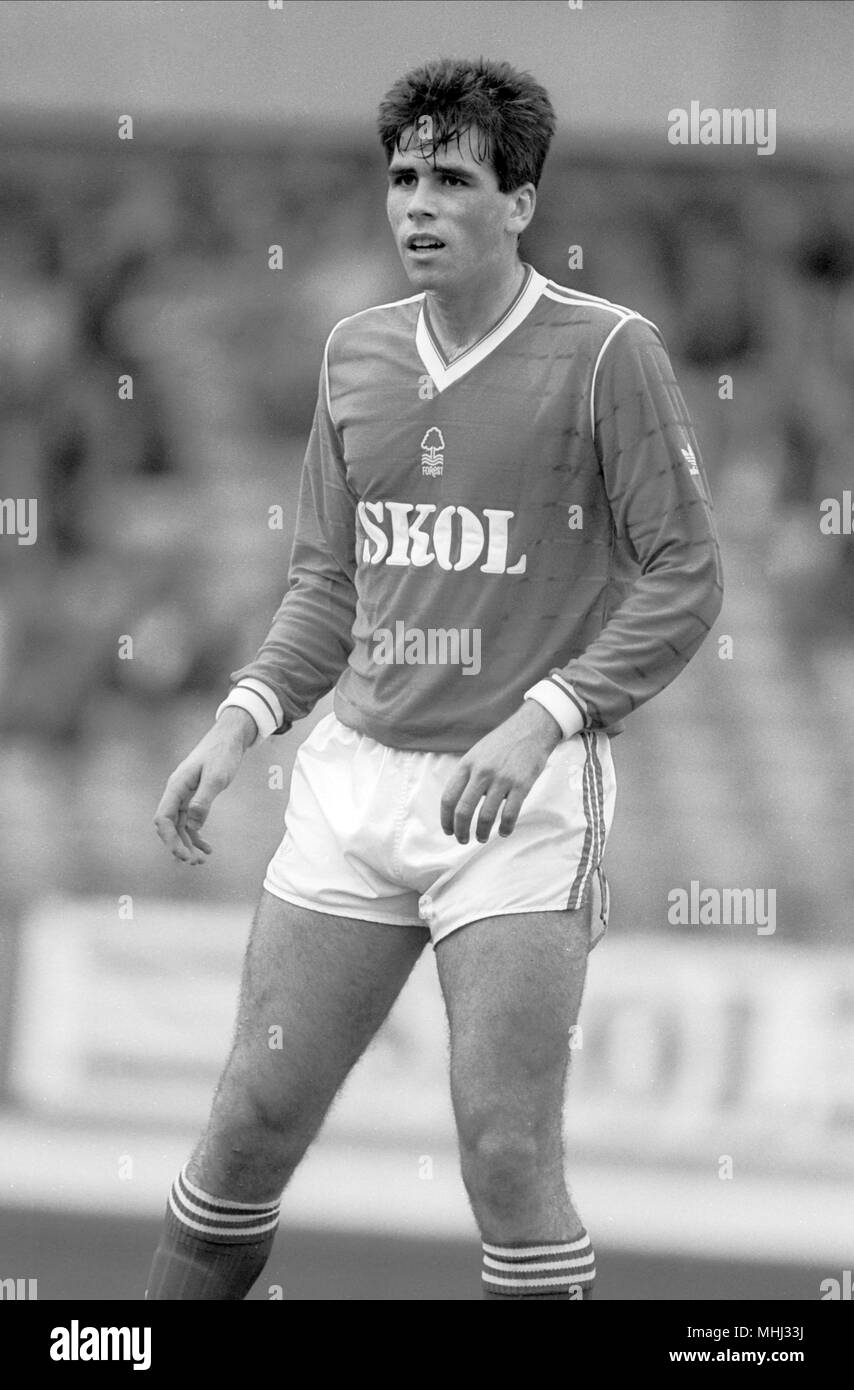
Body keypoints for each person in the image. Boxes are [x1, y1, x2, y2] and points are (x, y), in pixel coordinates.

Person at [147, 56, 723, 1301]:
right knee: (246, 1120)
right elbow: (324, 584)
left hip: (514, 803)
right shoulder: (354, 352)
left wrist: (544, 718)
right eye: (402, 175)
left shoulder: (606, 353)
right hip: (354, 787)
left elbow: (685, 575)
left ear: (518, 202)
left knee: (505, 1153)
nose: (416, 202)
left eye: (451, 178)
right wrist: (240, 720)